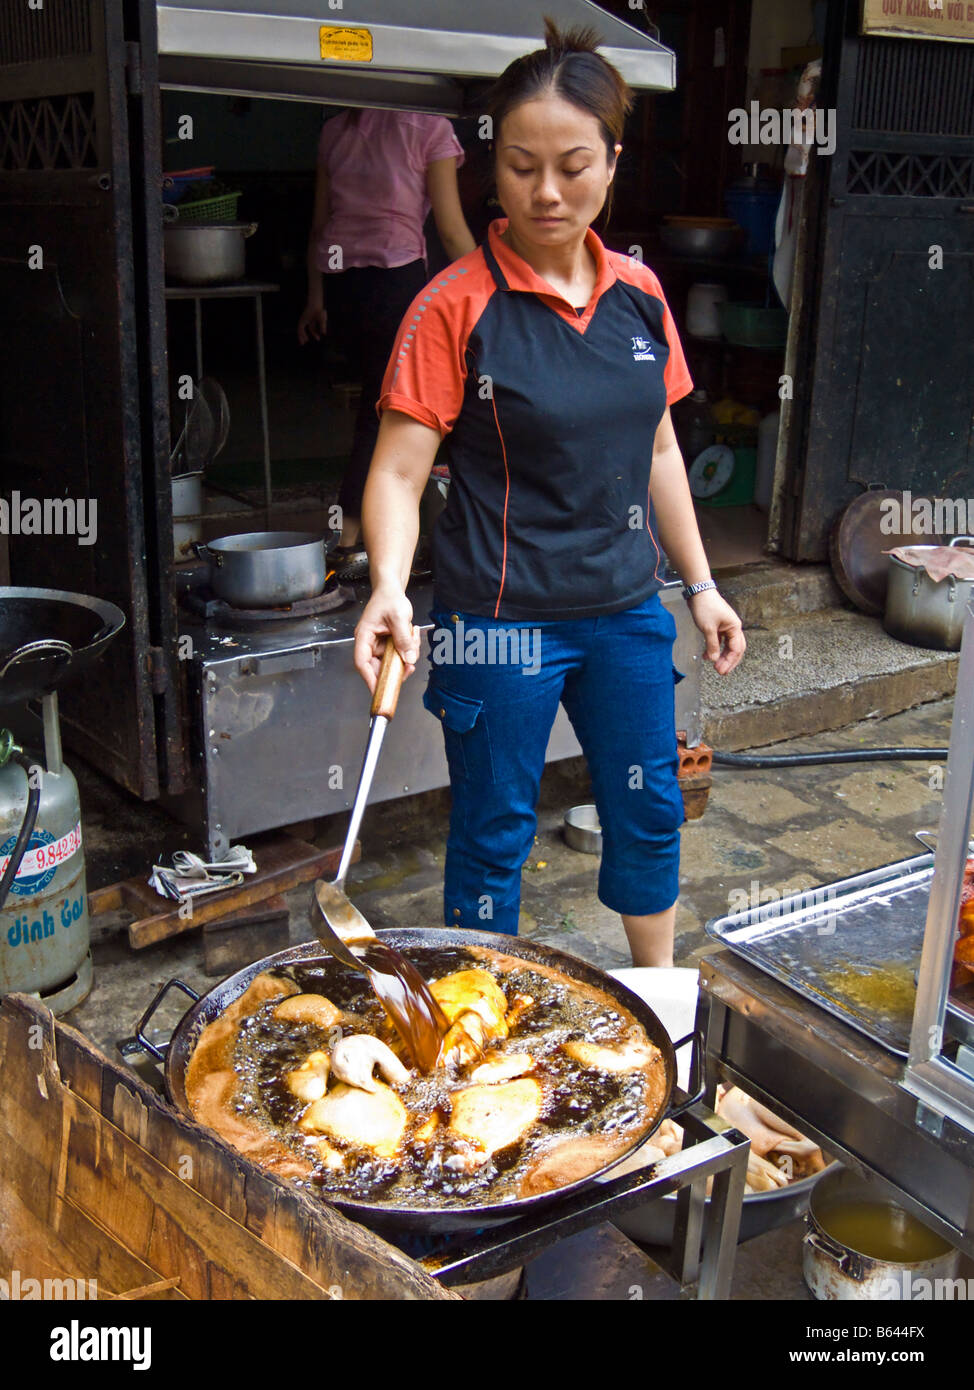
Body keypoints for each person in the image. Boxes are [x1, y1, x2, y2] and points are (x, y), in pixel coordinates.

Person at [352, 23, 746, 967]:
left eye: (573, 165)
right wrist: (390, 587)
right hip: (501, 625)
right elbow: (400, 471)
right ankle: (480, 1032)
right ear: (495, 164)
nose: (546, 192)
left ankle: (661, 1004)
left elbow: (657, 450)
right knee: (493, 836)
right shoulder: (453, 304)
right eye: (522, 166)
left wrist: (700, 585)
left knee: (648, 810)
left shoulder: (644, 298)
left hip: (626, 615)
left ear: (612, 163)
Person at [298, 108, 475, 578]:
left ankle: (355, 536)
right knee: (389, 413)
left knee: (378, 411)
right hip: (395, 282)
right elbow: (452, 231)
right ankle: (353, 541)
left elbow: (320, 225)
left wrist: (316, 297)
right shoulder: (431, 128)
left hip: (342, 283)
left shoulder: (334, 128)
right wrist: (499, 290)